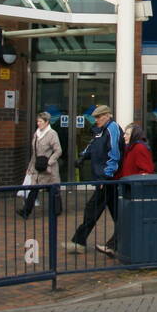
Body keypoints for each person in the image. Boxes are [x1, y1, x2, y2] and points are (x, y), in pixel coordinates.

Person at [65, 104, 122, 253]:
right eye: (95, 117)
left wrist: (106, 176)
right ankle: (122, 239)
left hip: (108, 179)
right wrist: (83, 156)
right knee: (118, 214)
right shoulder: (101, 131)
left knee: (92, 209)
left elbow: (114, 153)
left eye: (99, 117)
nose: (96, 119)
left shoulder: (112, 128)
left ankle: (78, 241)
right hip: (105, 179)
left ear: (108, 115)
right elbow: (93, 145)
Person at [97, 123, 154, 257]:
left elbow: (147, 170)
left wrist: (133, 182)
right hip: (128, 189)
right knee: (125, 220)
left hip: (135, 191)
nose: (124, 136)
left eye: (127, 134)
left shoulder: (139, 148)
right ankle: (116, 246)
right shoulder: (130, 148)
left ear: (134, 135)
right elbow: (124, 169)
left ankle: (113, 246)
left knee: (125, 220)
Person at [19, 112, 62, 219]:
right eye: (37, 121)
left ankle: (57, 209)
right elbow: (34, 154)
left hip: (49, 168)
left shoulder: (52, 134)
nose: (38, 123)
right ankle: (26, 211)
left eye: (40, 121)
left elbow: (58, 151)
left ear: (47, 122)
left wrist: (49, 162)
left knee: (53, 189)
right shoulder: (36, 134)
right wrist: (30, 168)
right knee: (34, 189)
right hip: (37, 167)